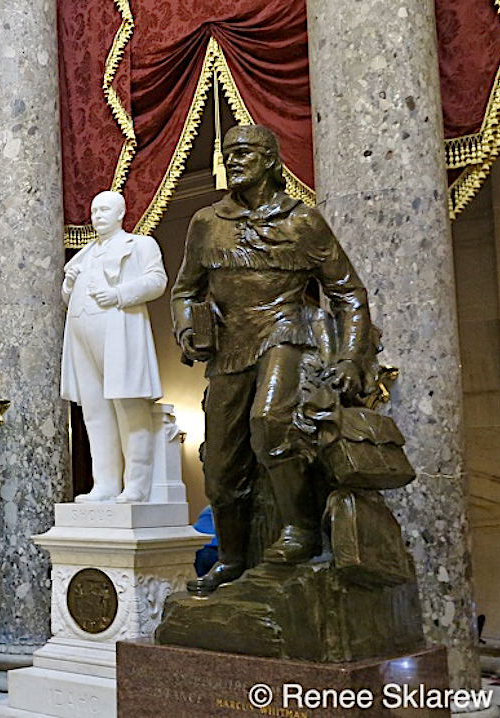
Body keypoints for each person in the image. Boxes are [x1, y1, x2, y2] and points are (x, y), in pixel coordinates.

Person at [171, 125, 374, 593]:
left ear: (270, 161)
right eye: (229, 153)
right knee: (219, 463)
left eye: (245, 153)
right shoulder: (206, 223)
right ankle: (232, 557)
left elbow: (349, 293)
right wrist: (188, 329)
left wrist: (348, 357)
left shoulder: (301, 221)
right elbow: (185, 291)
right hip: (229, 346)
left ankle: (301, 529)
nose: (235, 161)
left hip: (287, 330)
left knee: (269, 421)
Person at [60, 190, 167, 503]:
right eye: (94, 210)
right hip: (82, 334)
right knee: (94, 411)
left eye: (105, 209)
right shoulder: (83, 254)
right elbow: (71, 296)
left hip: (119, 330)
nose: (98, 215)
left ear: (121, 212)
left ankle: (137, 485)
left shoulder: (140, 244)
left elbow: (156, 280)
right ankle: (105, 483)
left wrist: (120, 294)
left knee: (130, 407)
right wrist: (68, 286)